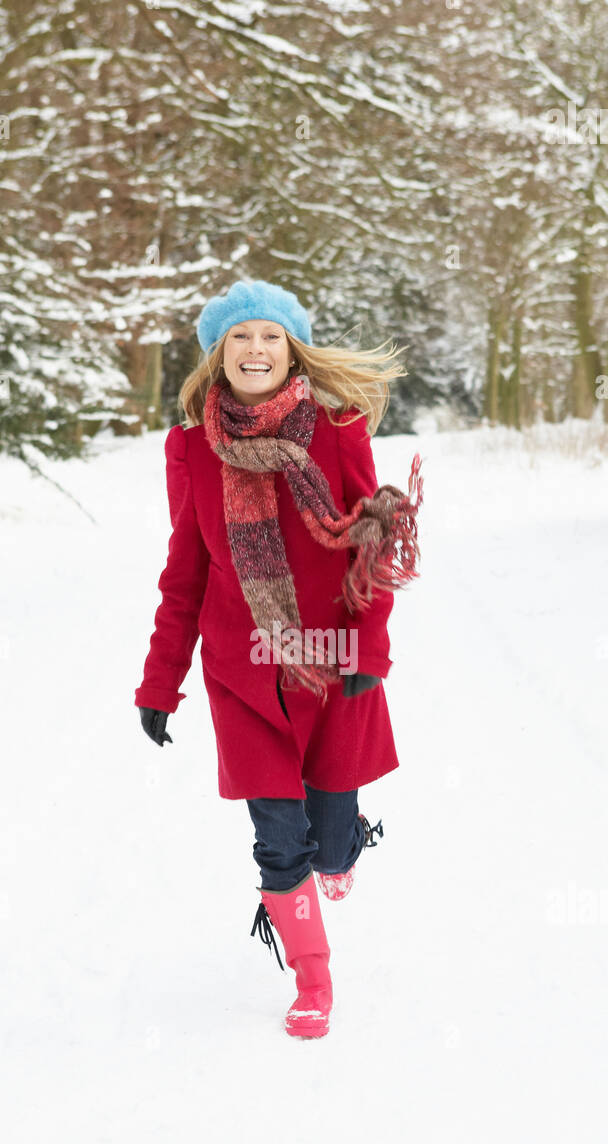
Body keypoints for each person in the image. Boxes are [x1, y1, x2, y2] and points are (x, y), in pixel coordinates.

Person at [134, 279, 423, 1039]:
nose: (254, 350)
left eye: (268, 336)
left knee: (327, 842)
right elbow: (186, 569)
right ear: (216, 355)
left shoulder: (336, 428)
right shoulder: (192, 447)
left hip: (333, 663)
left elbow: (374, 540)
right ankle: (313, 980)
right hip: (245, 672)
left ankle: (344, 841)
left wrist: (370, 645)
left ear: (290, 348)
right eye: (238, 338)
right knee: (277, 838)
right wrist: (159, 682)